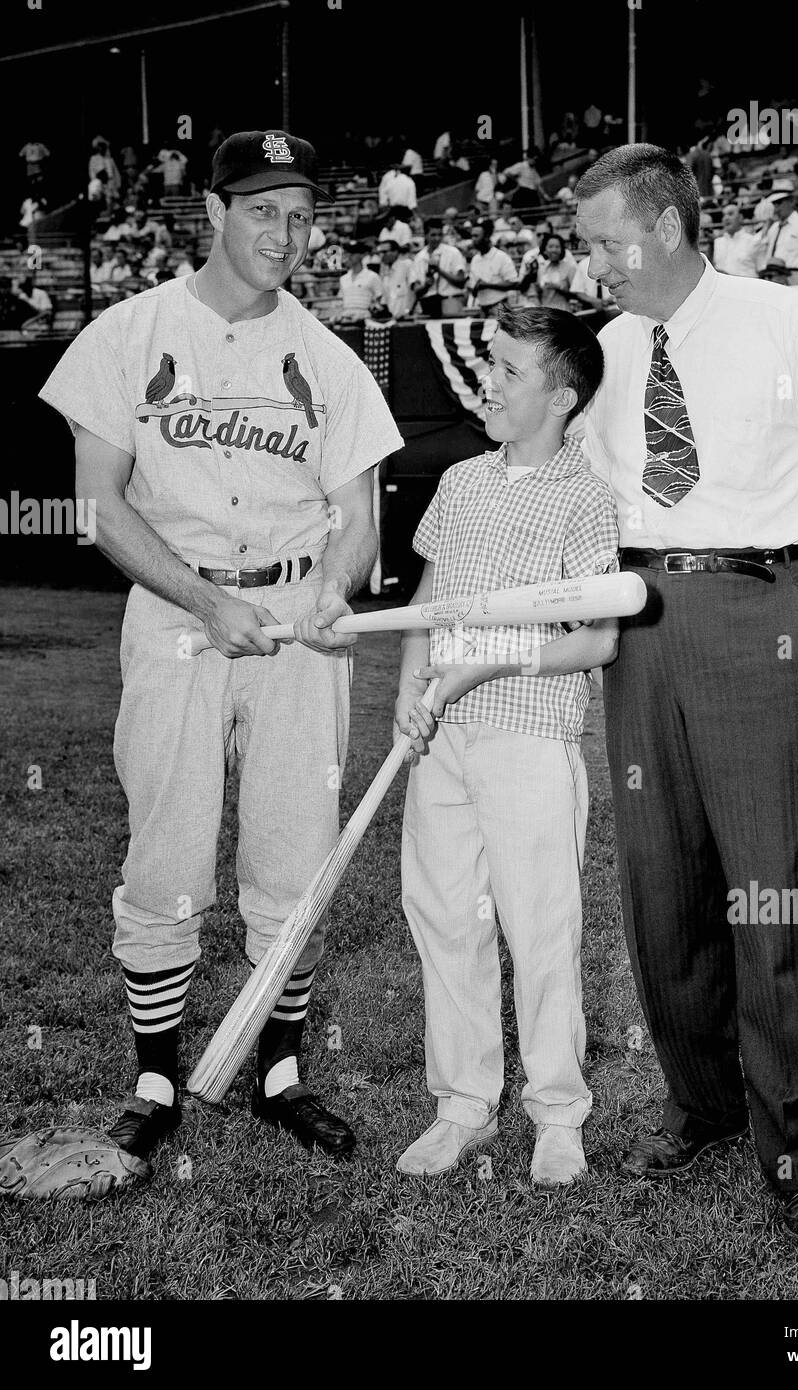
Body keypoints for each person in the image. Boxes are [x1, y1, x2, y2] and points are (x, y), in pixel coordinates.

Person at [38, 129, 403, 1165]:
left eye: (299, 215)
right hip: (177, 626)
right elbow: (100, 507)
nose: (286, 234)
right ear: (211, 209)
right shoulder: (127, 334)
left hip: (297, 627)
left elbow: (358, 517)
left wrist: (332, 591)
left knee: (296, 851)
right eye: (261, 210)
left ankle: (282, 1069)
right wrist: (203, 599)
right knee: (167, 847)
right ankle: (155, 1075)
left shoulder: (329, 359)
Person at [575, 143, 798, 1251]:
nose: (594, 267)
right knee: (663, 893)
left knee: (781, 896)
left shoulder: (782, 322)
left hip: (761, 610)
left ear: (665, 226)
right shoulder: (606, 352)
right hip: (637, 628)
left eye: (606, 242)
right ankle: (704, 1105)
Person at [394, 304, 620, 1185]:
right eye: (488, 362)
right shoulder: (460, 481)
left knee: (541, 925)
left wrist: (479, 670)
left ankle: (557, 1115)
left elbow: (598, 638)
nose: (487, 380)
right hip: (442, 737)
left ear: (561, 397)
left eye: (508, 370)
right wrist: (414, 689)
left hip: (530, 738)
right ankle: (462, 1106)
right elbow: (429, 603)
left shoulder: (585, 497)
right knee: (446, 919)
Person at [757, 183, 798, 283]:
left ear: (791, 201)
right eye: (774, 204)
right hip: (773, 277)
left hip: (795, 275)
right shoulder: (774, 228)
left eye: (779, 203)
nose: (776, 208)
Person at [412, 219, 467, 318]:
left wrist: (439, 270)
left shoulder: (453, 252)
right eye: (433, 235)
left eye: (440, 235)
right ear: (425, 235)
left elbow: (461, 282)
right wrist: (427, 285)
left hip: (450, 301)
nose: (437, 238)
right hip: (428, 303)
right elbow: (417, 290)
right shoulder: (419, 257)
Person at [467, 220, 518, 316]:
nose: (473, 239)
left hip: (499, 308)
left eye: (476, 236)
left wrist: (487, 285)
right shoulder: (475, 259)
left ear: (486, 237)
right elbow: (474, 291)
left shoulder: (501, 256)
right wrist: (474, 287)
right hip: (482, 309)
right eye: (472, 236)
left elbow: (513, 283)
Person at [338, 240, 384, 319]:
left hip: (365, 319)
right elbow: (341, 301)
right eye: (347, 253)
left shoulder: (372, 276)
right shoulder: (343, 278)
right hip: (346, 317)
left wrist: (369, 313)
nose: (349, 256)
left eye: (352, 253)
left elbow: (380, 300)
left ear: (361, 255)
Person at [712, 203, 759, 278]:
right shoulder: (717, 243)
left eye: (730, 214)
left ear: (740, 217)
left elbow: (760, 270)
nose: (726, 218)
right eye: (724, 215)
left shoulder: (752, 241)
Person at [378, 239, 416, 319]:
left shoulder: (406, 265)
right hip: (392, 319)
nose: (382, 255)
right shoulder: (385, 275)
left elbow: (416, 289)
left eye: (385, 252)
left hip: (408, 318)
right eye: (380, 252)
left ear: (395, 252)